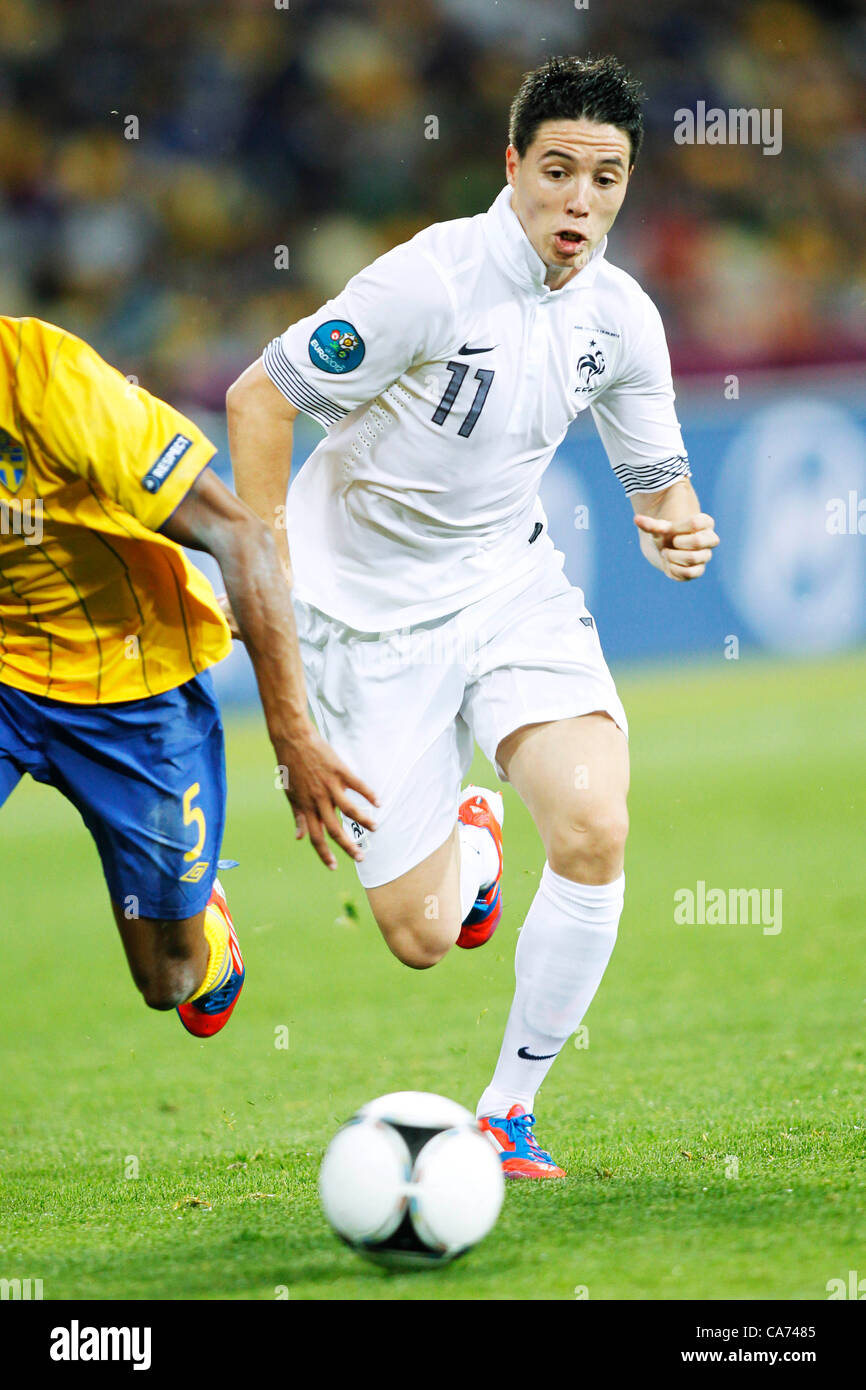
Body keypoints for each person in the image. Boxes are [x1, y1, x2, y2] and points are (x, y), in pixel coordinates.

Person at [225, 55, 719, 1175]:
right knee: (420, 939)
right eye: (557, 171)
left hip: (506, 590)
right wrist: (266, 563)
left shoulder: (620, 320)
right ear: (511, 165)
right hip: (363, 624)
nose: (579, 202)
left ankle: (507, 1112)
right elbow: (262, 394)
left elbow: (659, 490)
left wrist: (676, 530)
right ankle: (473, 846)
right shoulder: (426, 285)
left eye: (606, 178)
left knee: (594, 824)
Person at [0, 316, 375, 1038]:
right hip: (8, 669)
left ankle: (204, 927)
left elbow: (240, 535)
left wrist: (292, 738)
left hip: (134, 685)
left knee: (169, 981)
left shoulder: (52, 382)